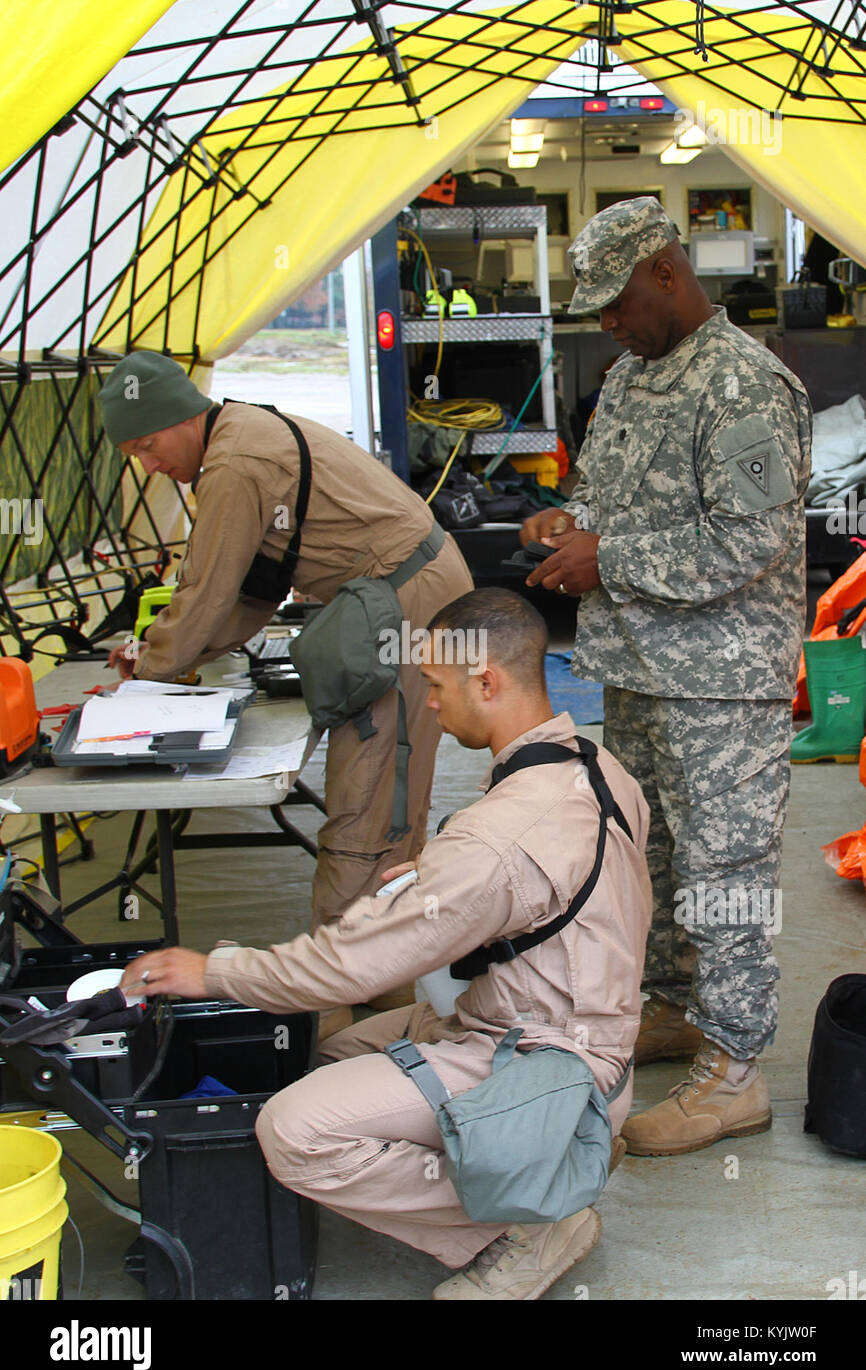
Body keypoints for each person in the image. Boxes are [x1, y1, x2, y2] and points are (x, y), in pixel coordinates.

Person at [120, 588, 652, 1301]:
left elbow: (345, 966)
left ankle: (527, 1219)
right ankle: (541, 1158)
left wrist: (214, 971)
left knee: (294, 1130)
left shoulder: (494, 842)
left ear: (487, 682)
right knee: (331, 1057)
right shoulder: (591, 763)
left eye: (435, 686)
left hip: (549, 1060)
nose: (428, 705)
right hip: (570, 1024)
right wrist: (440, 881)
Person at [521, 196, 812, 1157]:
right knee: (652, 858)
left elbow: (757, 538)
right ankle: (680, 1011)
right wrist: (565, 523)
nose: (606, 322)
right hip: (640, 669)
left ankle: (735, 1076)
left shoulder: (744, 385)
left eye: (615, 302)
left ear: (665, 272)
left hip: (724, 682)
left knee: (728, 874)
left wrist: (608, 559)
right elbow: (603, 493)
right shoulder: (634, 375)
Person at [98, 351, 473, 934]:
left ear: (179, 417)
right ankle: (385, 958)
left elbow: (205, 590)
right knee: (385, 788)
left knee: (371, 792)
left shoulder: (232, 464)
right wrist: (165, 657)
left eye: (146, 447)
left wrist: (152, 665)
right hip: (404, 593)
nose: (148, 466)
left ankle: (354, 973)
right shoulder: (238, 434)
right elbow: (254, 591)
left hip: (406, 604)